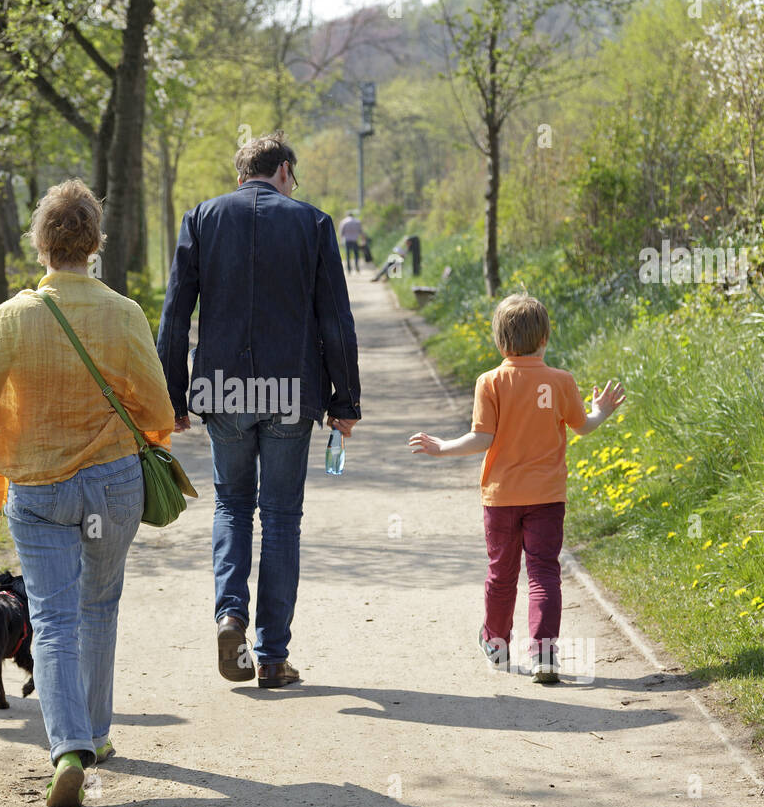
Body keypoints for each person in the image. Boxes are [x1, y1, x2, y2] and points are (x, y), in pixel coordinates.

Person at [0, 179, 174, 807]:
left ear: (40, 243)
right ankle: (100, 733)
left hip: (38, 488)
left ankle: (69, 749)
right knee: (100, 607)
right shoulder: (124, 313)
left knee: (51, 620)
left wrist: (17, 450)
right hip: (113, 484)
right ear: (95, 243)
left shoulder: (11, 317)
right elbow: (157, 407)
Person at [157, 130, 362, 689]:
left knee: (230, 505)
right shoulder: (314, 223)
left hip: (222, 391)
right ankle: (272, 657)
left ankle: (230, 616)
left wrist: (172, 399)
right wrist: (345, 402)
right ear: (285, 171)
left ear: (240, 175)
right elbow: (335, 320)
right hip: (291, 392)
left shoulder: (201, 219)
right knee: (280, 517)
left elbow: (175, 315)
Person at [407, 294, 624, 683]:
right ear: (545, 339)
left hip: (502, 497)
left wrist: (442, 448)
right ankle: (545, 653)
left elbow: (481, 438)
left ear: (499, 342)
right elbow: (583, 426)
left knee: (502, 573)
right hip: (547, 498)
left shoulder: (490, 381)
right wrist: (601, 411)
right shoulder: (561, 381)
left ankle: (496, 641)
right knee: (543, 572)